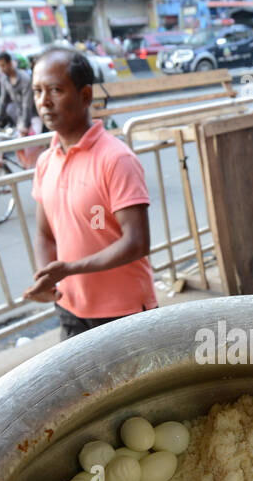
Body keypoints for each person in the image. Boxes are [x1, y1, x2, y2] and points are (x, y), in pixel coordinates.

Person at [22, 46, 157, 341]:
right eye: (37, 91)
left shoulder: (116, 159)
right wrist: (47, 278)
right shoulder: (46, 161)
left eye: (55, 90)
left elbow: (136, 242)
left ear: (85, 96)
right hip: (70, 307)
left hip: (124, 310)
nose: (44, 102)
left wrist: (69, 269)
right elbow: (45, 234)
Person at [0, 51, 33, 134]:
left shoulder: (24, 78)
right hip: (20, 116)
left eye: (3, 65)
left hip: (33, 115)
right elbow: (2, 101)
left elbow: (27, 104)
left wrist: (25, 125)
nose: (1, 69)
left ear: (10, 63)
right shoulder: (4, 80)